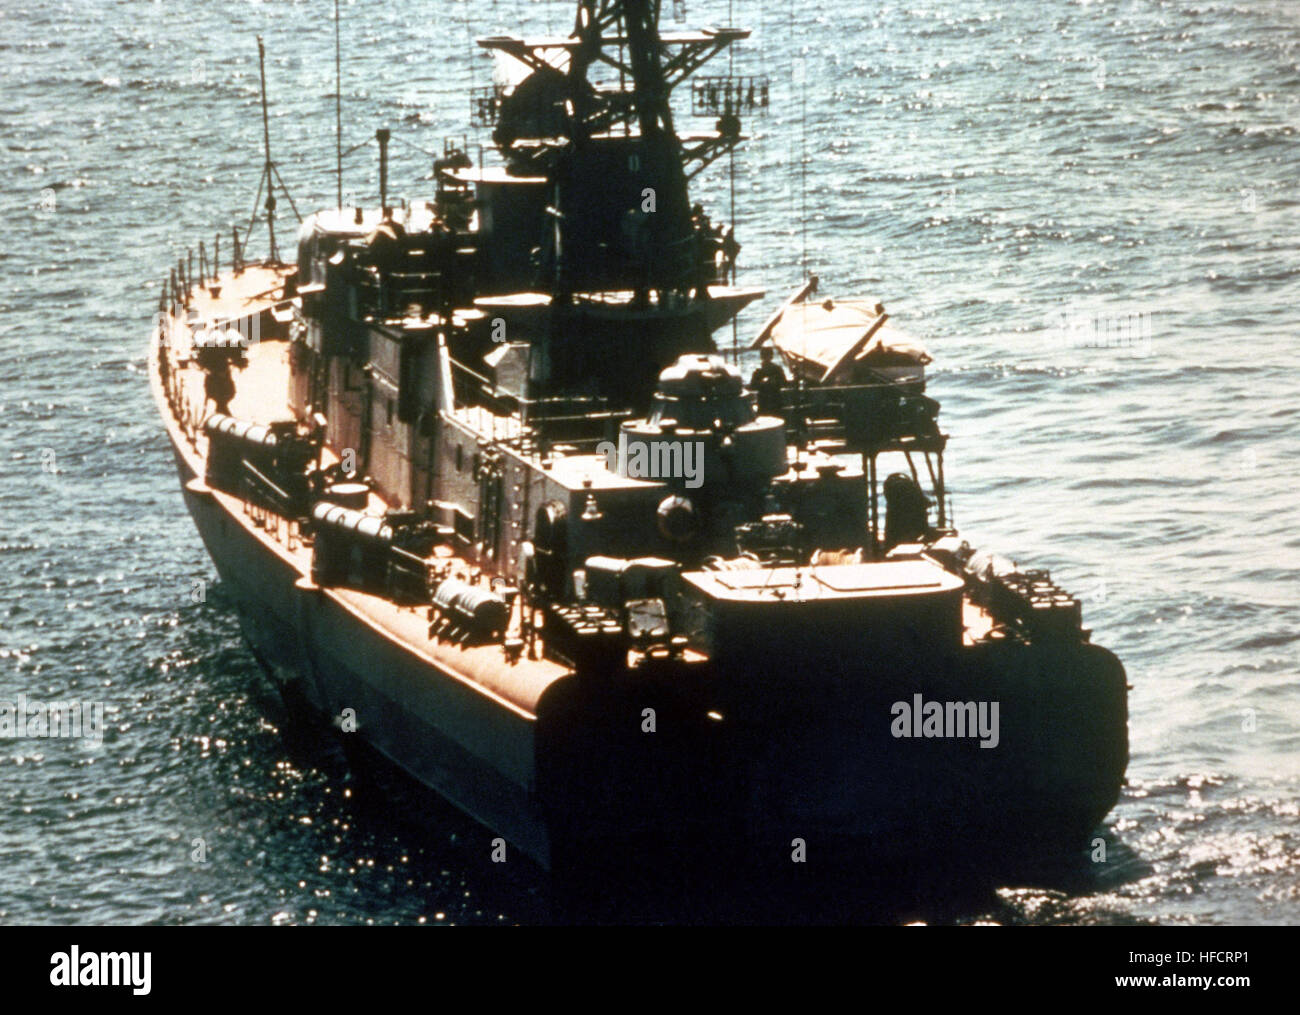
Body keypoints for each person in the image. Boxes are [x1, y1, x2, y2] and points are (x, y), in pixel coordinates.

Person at [749, 345, 787, 415]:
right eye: (764, 355)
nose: (766, 358)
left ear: (771, 356)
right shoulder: (758, 370)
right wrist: (761, 383)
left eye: (768, 355)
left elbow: (784, 383)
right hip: (763, 399)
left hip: (775, 398)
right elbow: (752, 386)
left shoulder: (777, 369)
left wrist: (774, 382)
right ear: (761, 357)